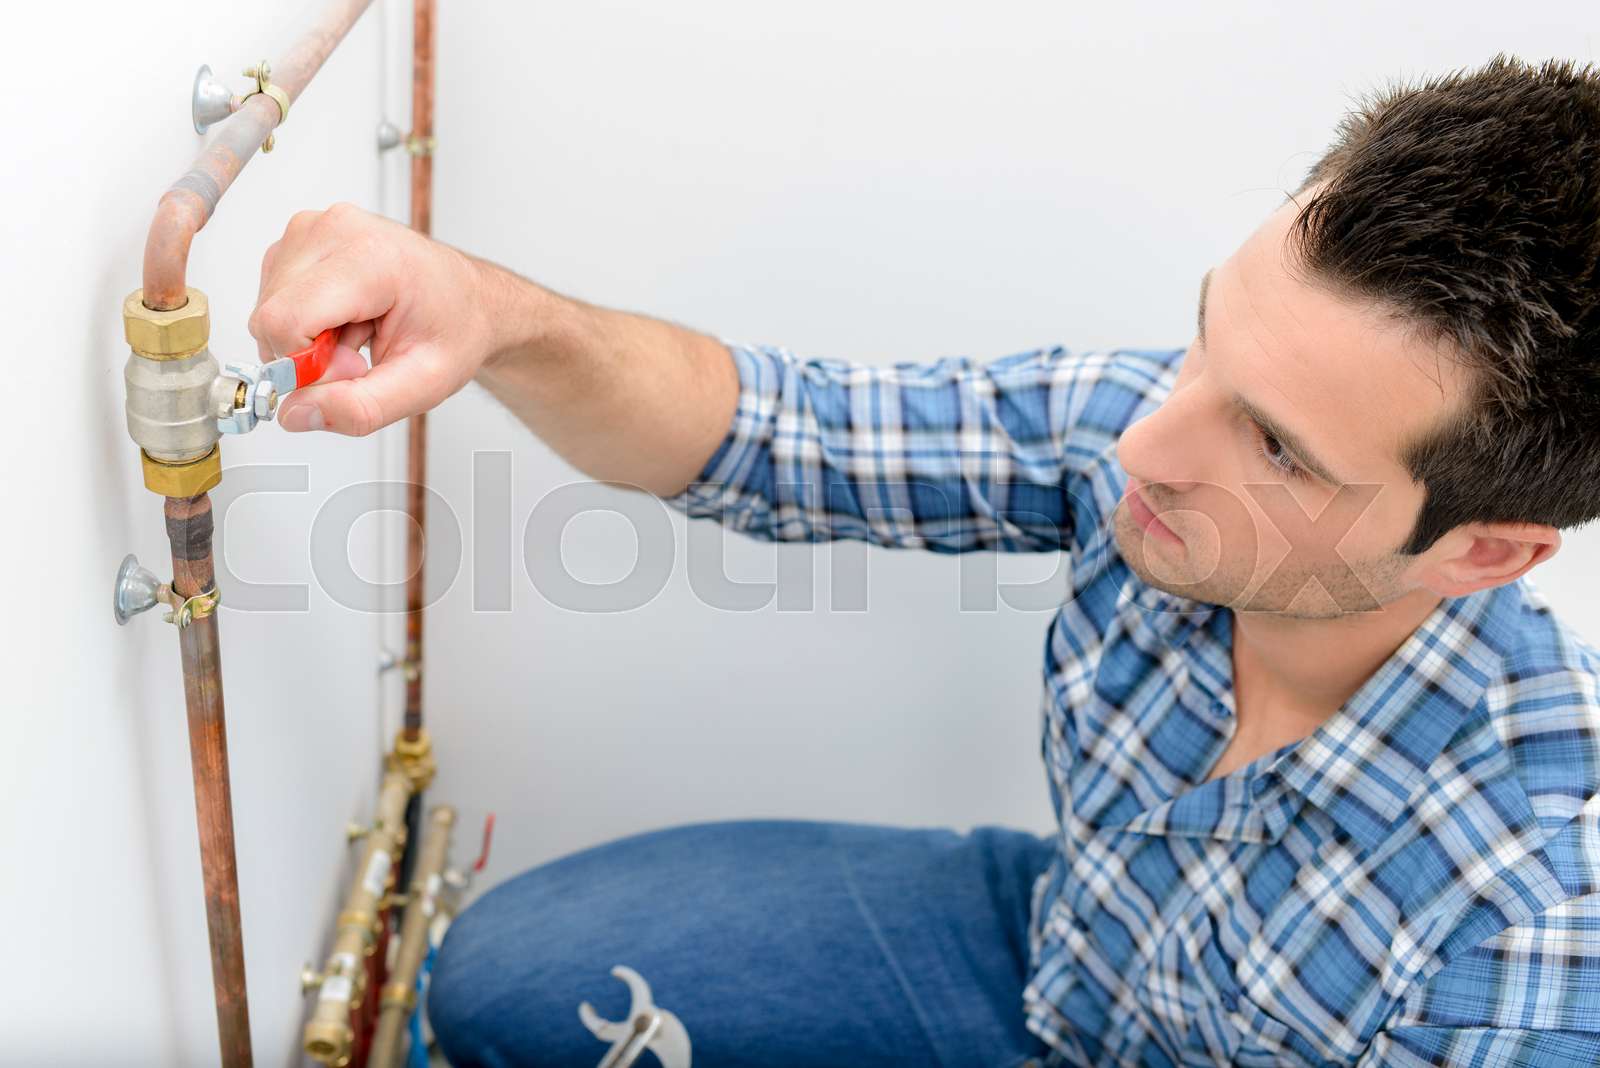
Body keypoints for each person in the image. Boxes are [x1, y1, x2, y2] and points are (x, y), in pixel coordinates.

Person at [251, 53, 1600, 1068]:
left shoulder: (1527, 931)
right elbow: (775, 434)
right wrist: (493, 316)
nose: (1142, 441)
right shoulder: (1146, 436)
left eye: (1280, 450)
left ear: (1481, 549)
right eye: (1205, 339)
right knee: (502, 983)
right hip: (1056, 967)